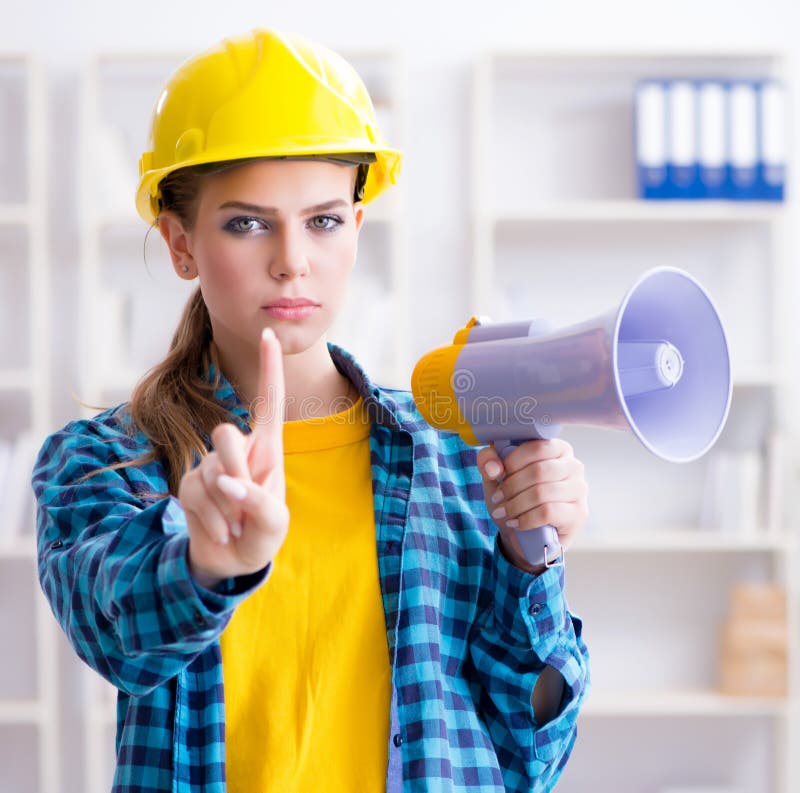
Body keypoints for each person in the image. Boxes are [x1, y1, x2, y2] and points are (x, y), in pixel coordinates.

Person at [32, 28, 590, 793]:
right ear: (180, 243)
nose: (292, 259)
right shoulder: (105, 460)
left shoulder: (460, 456)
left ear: (355, 230)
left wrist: (532, 562)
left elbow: (530, 757)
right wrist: (203, 563)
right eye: (247, 222)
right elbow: (114, 632)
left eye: (323, 220)